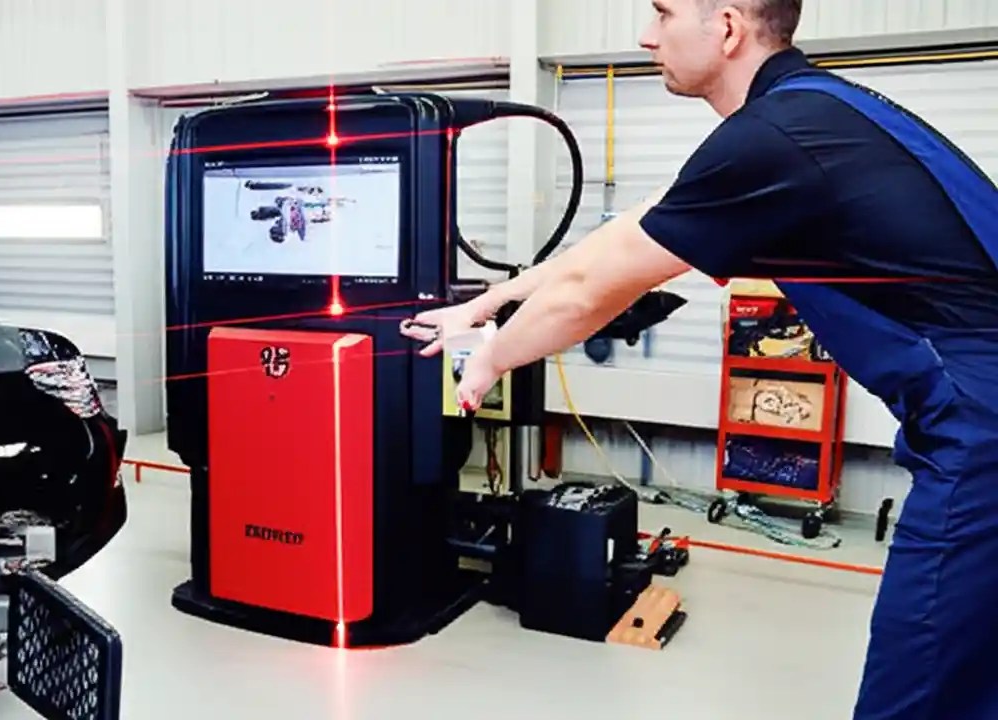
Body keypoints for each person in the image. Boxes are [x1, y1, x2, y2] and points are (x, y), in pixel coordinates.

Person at [400, 0, 998, 718]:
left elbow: (595, 289)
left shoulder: (773, 138)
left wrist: (490, 358)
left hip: (981, 432)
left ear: (725, 27)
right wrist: (488, 303)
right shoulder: (817, 111)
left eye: (664, 12)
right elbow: (630, 234)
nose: (648, 35)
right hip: (974, 414)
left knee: (921, 688)